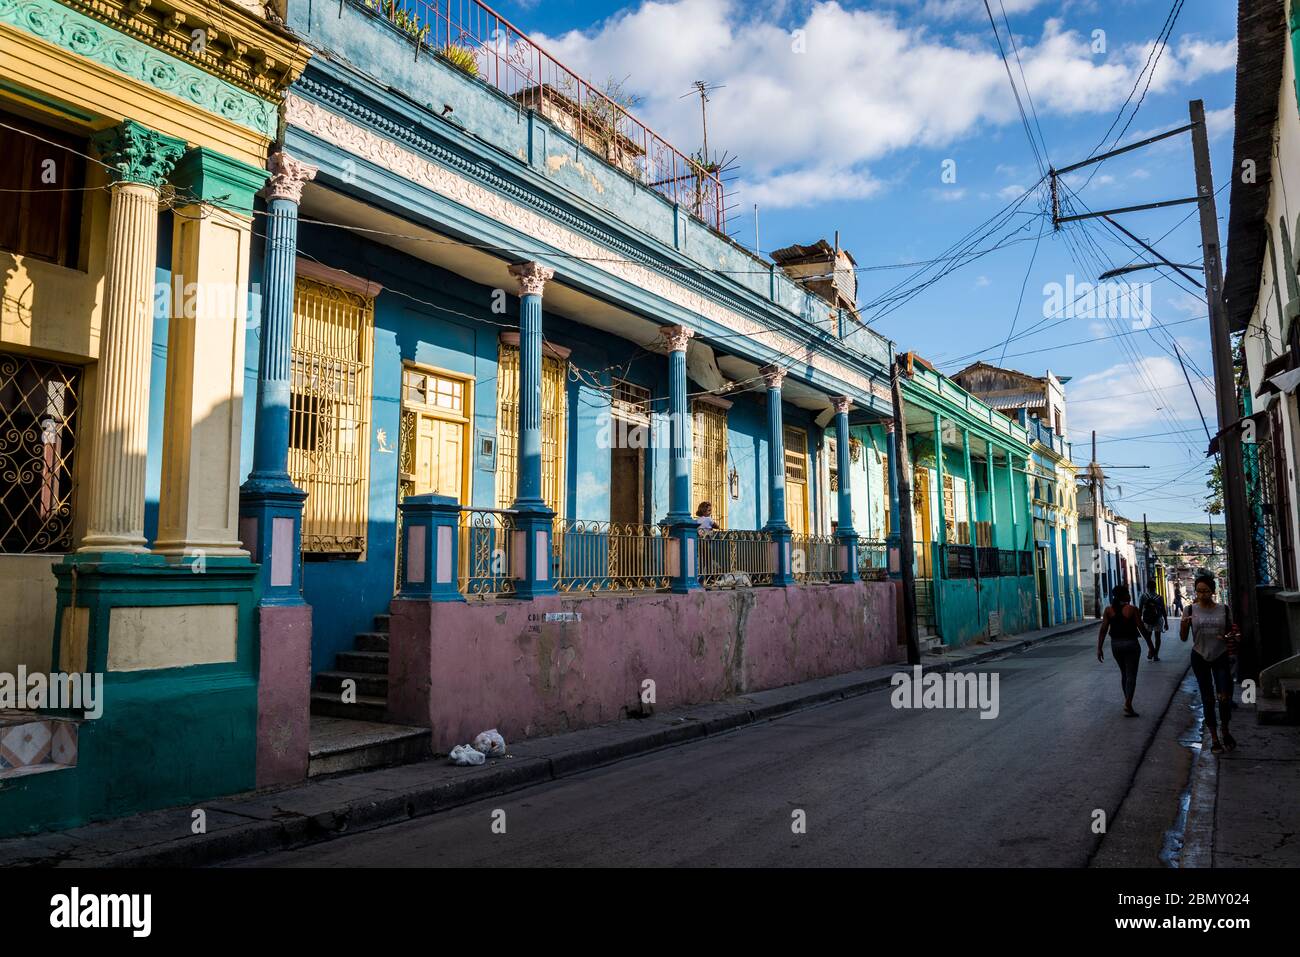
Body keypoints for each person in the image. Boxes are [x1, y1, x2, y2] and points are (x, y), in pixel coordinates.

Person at [1180, 571, 1237, 754]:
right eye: (1198, 591)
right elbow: (1183, 638)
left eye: (1205, 591)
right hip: (1199, 656)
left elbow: (1232, 634)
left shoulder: (1224, 609)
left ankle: (1225, 730)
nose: (1202, 595)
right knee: (1207, 698)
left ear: (1212, 591)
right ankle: (1214, 738)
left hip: (1220, 655)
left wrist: (1228, 636)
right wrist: (1183, 624)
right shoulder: (1190, 610)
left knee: (1224, 696)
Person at [1097, 583, 1151, 717]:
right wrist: (1151, 645)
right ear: (1124, 595)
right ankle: (1128, 703)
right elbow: (1141, 628)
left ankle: (1128, 703)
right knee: (1131, 675)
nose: (1130, 595)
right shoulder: (1132, 609)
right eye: (1128, 593)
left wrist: (1099, 648)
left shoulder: (1108, 610)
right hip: (1131, 644)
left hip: (1116, 645)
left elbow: (1103, 630)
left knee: (1124, 674)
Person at [1139, 579, 1168, 661]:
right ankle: (1156, 655)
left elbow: (1140, 609)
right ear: (1155, 588)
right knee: (1157, 637)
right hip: (1158, 619)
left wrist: (1139, 621)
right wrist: (1166, 622)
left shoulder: (1143, 596)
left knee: (1148, 637)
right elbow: (1163, 611)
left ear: (1147, 587)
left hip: (1147, 620)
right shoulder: (1160, 597)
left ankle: (1150, 651)